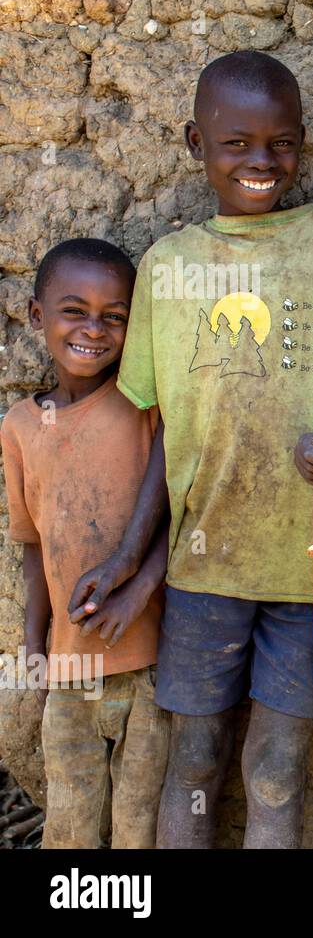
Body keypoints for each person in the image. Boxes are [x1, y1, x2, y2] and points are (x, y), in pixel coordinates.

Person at [66, 51, 313, 848]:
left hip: (310, 568)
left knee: (276, 766)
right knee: (194, 759)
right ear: (193, 143)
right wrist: (136, 556)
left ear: (302, 145)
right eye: (236, 142)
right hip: (204, 565)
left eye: (280, 143)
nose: (261, 161)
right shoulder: (168, 268)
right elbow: (167, 424)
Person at [2, 239, 169, 848]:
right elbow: (31, 541)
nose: (94, 330)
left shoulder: (142, 408)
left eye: (115, 316)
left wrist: (139, 587)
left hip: (151, 664)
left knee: (137, 825)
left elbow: (180, 511)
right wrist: (32, 643)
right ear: (35, 315)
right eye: (75, 311)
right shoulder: (21, 427)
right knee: (69, 825)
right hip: (68, 669)